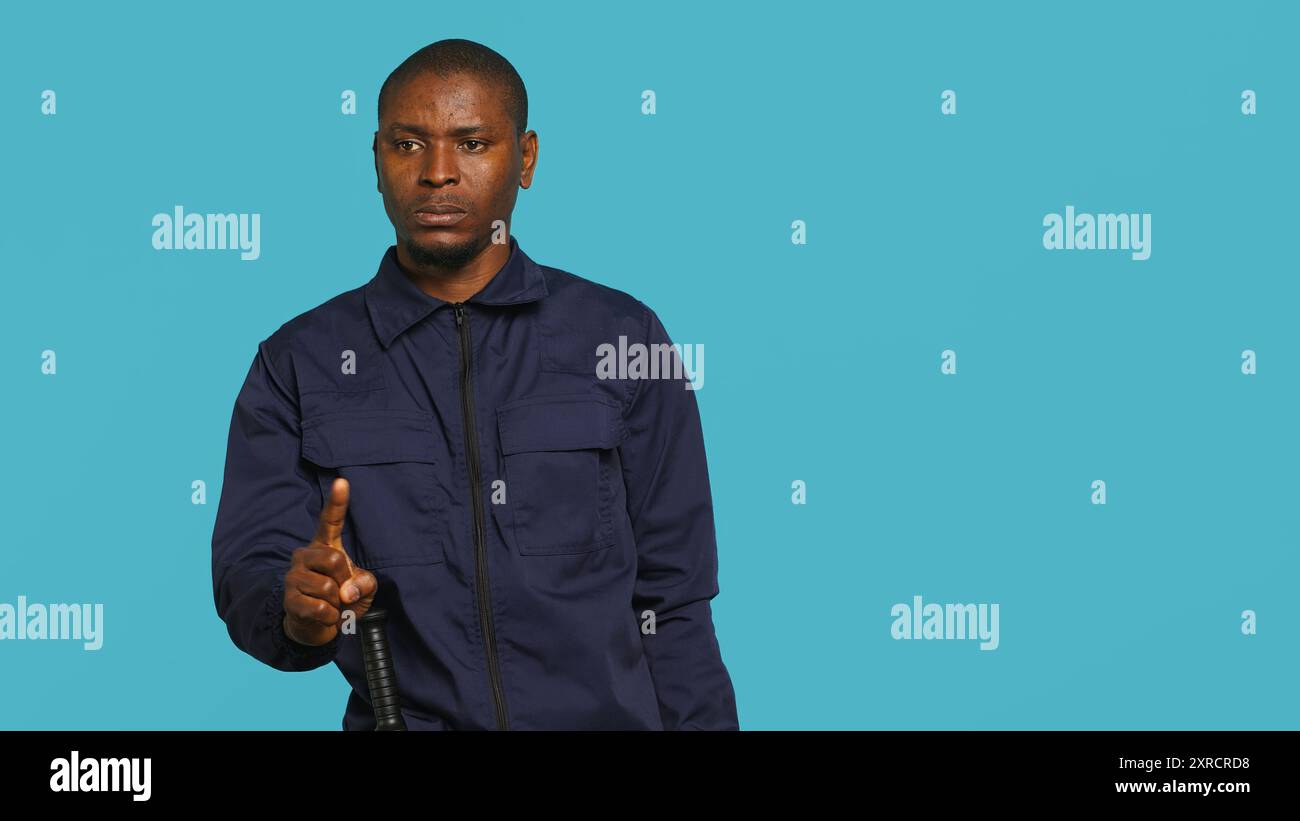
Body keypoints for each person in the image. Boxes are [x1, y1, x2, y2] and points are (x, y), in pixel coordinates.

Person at [209, 38, 738, 730]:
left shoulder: (626, 339)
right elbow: (253, 575)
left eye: (472, 143)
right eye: (407, 145)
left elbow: (675, 604)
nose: (437, 174)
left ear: (525, 159)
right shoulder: (296, 363)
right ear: (375, 160)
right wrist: (300, 609)